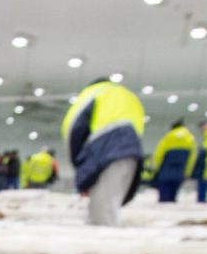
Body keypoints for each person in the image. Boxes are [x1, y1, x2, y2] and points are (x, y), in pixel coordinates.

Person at [62, 78, 145, 225]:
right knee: (112, 206)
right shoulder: (130, 97)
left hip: (106, 153)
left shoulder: (93, 93)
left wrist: (80, 174)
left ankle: (103, 246)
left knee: (101, 212)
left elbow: (73, 131)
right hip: (132, 155)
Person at [148, 120, 196, 203]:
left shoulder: (169, 136)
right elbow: (192, 158)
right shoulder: (190, 138)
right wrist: (187, 172)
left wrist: (157, 167)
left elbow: (159, 153)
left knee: (164, 195)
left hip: (166, 171)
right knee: (173, 195)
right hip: (180, 172)